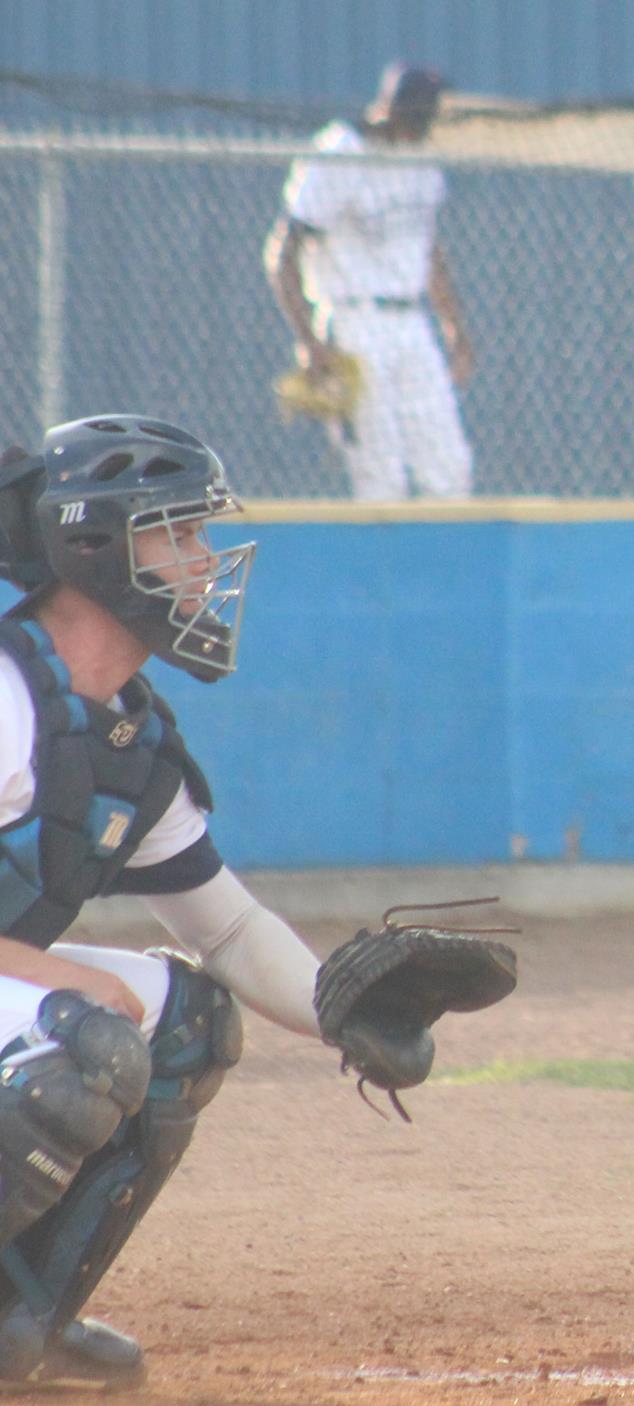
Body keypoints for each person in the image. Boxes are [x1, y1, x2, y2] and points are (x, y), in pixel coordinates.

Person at [0, 414, 413, 1386]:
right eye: (178, 533)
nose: (205, 559)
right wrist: (64, 982)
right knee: (87, 1034)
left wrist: (347, 1011)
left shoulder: (121, 739)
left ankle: (24, 1322)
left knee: (186, 1019)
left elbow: (223, 927)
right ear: (93, 547)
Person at [266, 63, 478, 501]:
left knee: (450, 468)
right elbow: (283, 251)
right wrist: (309, 341)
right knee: (380, 476)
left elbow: (428, 251)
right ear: (394, 110)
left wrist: (454, 327)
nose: (427, 123)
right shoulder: (342, 151)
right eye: (421, 113)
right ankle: (389, 569)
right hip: (354, 320)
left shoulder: (421, 162)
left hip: (412, 322)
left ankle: (444, 567)